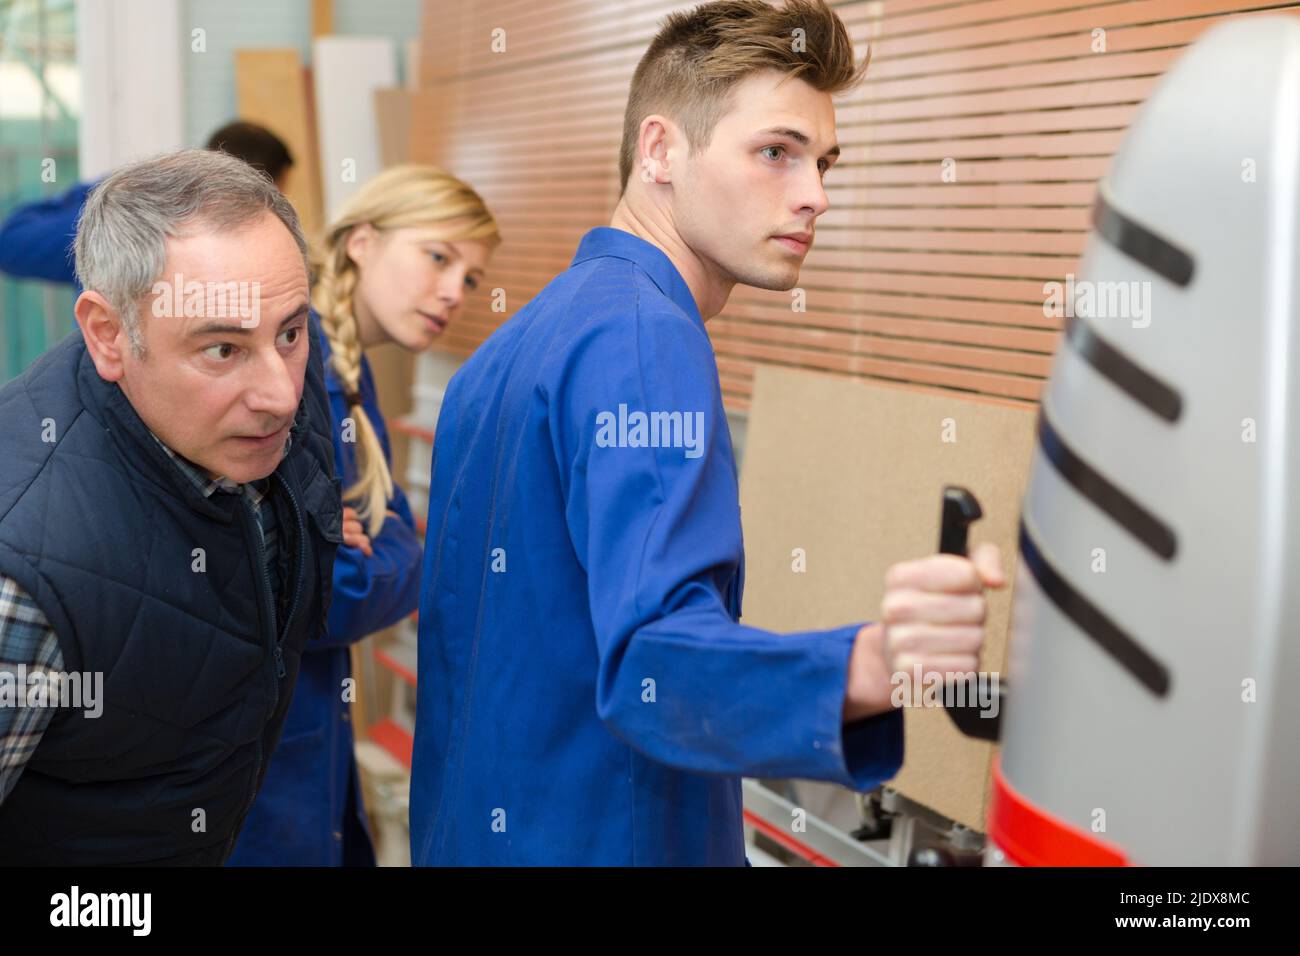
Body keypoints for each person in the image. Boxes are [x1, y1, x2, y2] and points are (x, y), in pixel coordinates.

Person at [410, 0, 1006, 866]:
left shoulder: (503, 353)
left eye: (824, 163)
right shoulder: (646, 340)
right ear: (660, 150)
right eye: (776, 153)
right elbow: (655, 660)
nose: (816, 195)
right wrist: (877, 663)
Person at [0, 148, 340, 864]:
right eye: (222, 350)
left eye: (291, 331)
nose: (281, 394)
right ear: (108, 335)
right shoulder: (21, 574)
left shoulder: (270, 393)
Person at [228, 166, 499, 865]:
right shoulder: (303, 370)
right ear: (362, 242)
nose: (453, 293)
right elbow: (326, 590)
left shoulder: (349, 371)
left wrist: (385, 548)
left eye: (470, 279)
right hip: (259, 763)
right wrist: (407, 555)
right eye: (438, 257)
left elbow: (367, 550)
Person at [0, 120, 295, 287]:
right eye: (276, 192)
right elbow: (11, 244)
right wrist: (108, 193)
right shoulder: (134, 220)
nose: (276, 205)